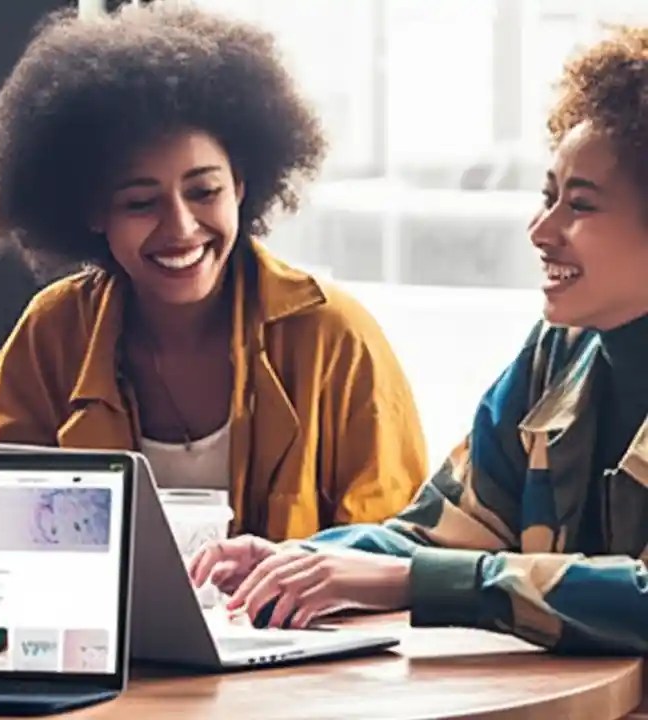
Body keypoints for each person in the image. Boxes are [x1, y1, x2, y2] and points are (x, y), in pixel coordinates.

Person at [189, 26, 648, 654]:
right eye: (548, 197)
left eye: (581, 205)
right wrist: (302, 560)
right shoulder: (555, 356)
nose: (541, 230)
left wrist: (413, 582)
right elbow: (442, 529)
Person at [0, 3, 427, 539]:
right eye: (141, 202)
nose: (181, 227)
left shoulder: (333, 337)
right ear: (94, 212)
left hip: (291, 625)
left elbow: (391, 549)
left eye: (204, 191)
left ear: (240, 186)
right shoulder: (52, 336)